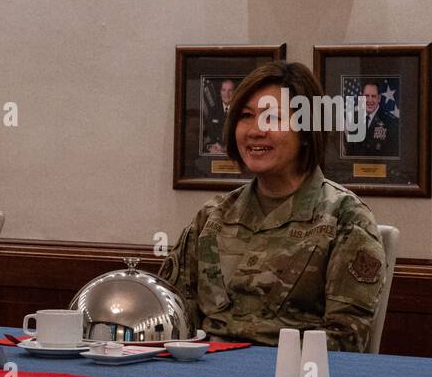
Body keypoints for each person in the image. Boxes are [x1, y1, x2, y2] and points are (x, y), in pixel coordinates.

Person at [160, 61, 385, 352]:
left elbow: (345, 341)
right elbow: (173, 317)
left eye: (272, 118)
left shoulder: (345, 218)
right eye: (245, 116)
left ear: (306, 131)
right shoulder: (212, 217)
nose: (255, 131)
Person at [347, 81, 399, 157]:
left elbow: (392, 156)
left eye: (373, 96)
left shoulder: (390, 122)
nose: (370, 100)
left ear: (379, 98)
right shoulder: (354, 119)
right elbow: (350, 153)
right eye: (367, 96)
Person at [202, 78, 235, 156]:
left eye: (230, 90)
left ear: (235, 92)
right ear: (220, 92)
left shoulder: (240, 111)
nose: (226, 94)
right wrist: (210, 147)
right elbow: (208, 134)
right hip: (217, 152)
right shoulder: (213, 110)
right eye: (223, 90)